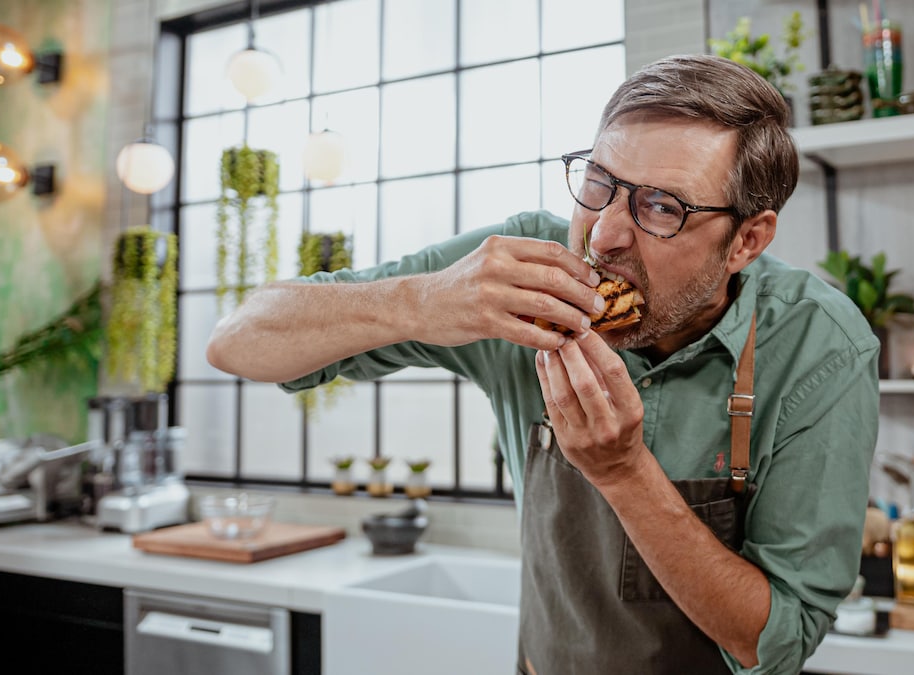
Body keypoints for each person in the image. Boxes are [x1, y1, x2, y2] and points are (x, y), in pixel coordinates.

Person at [207, 54, 879, 674]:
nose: (605, 233)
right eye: (598, 182)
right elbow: (237, 341)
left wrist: (624, 472)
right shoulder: (522, 274)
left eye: (661, 207)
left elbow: (779, 639)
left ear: (747, 240)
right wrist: (425, 300)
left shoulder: (820, 347)